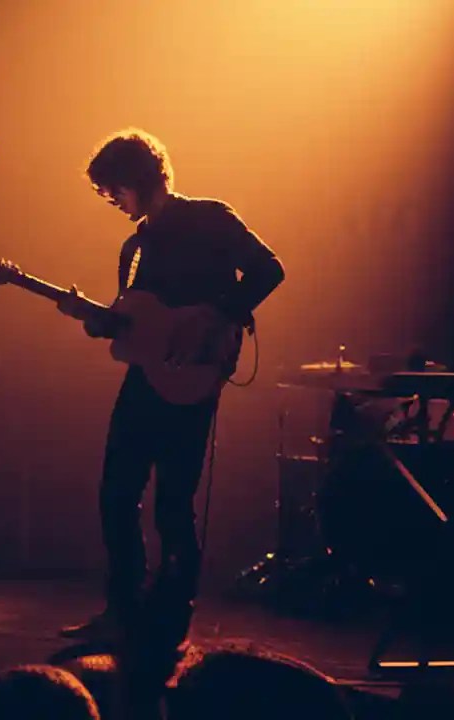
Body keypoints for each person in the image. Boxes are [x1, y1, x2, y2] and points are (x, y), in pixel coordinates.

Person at [57, 128, 285, 648]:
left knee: (173, 503)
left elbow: (270, 269)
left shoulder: (210, 217)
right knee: (116, 493)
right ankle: (125, 609)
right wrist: (94, 319)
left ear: (137, 177)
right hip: (146, 377)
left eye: (113, 188)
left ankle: (170, 615)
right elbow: (134, 322)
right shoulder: (136, 244)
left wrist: (214, 314)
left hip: (195, 378)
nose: (111, 201)